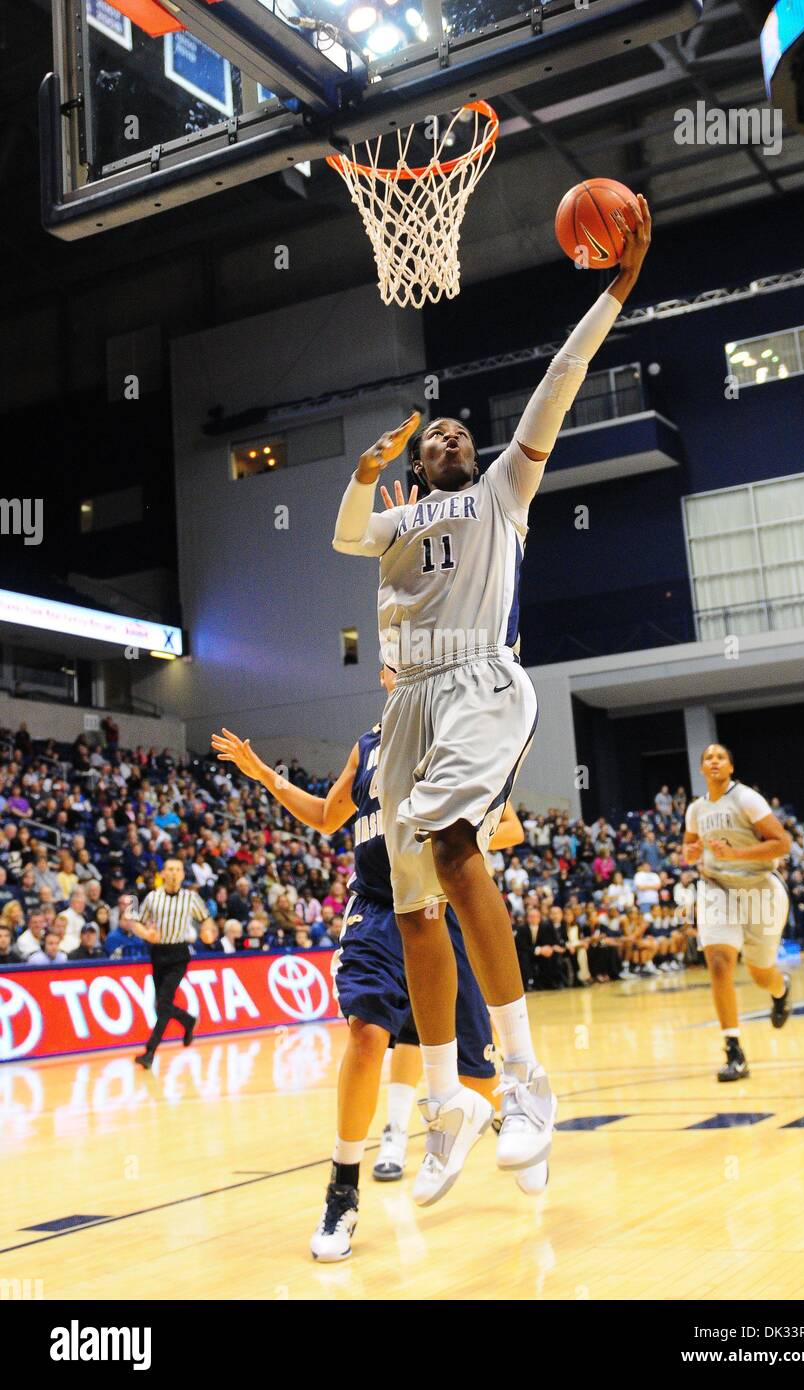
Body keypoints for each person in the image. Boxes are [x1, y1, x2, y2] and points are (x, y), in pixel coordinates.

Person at [331, 200, 652, 1200]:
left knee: (458, 845)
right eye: (433, 437)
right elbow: (345, 536)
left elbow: (557, 382)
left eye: (456, 433)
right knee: (415, 910)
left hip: (479, 679)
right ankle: (446, 1102)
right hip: (408, 709)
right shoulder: (391, 521)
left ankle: (523, 1080)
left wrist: (614, 290)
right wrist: (361, 469)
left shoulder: (503, 489)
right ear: (416, 461)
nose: (447, 440)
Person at [212, 661, 540, 1264]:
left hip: (438, 911)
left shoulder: (455, 736)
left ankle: (510, 1120)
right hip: (375, 910)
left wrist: (448, 833)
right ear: (389, 677)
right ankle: (342, 1190)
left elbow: (513, 828)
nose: (395, 666)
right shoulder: (366, 747)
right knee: (365, 1036)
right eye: (389, 661)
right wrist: (261, 774)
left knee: (475, 1075)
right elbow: (325, 816)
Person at [682, 744, 792, 1082]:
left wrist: (735, 854)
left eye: (720, 757)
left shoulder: (747, 799)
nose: (713, 761)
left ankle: (780, 989)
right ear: (701, 769)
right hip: (716, 886)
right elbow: (688, 853)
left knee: (761, 974)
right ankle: (733, 1050)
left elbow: (782, 843)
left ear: (730, 766)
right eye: (708, 758)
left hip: (758, 886)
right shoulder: (696, 809)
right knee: (718, 963)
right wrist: (692, 852)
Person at [125, 860, 213, 1069]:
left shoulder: (191, 897)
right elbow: (134, 920)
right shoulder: (152, 897)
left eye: (178, 870)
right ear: (163, 873)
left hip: (178, 954)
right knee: (161, 1006)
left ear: (183, 874)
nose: (174, 873)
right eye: (170, 869)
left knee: (163, 1004)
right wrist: (146, 933)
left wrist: (208, 932)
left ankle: (149, 1052)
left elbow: (206, 919)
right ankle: (188, 1021)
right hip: (158, 952)